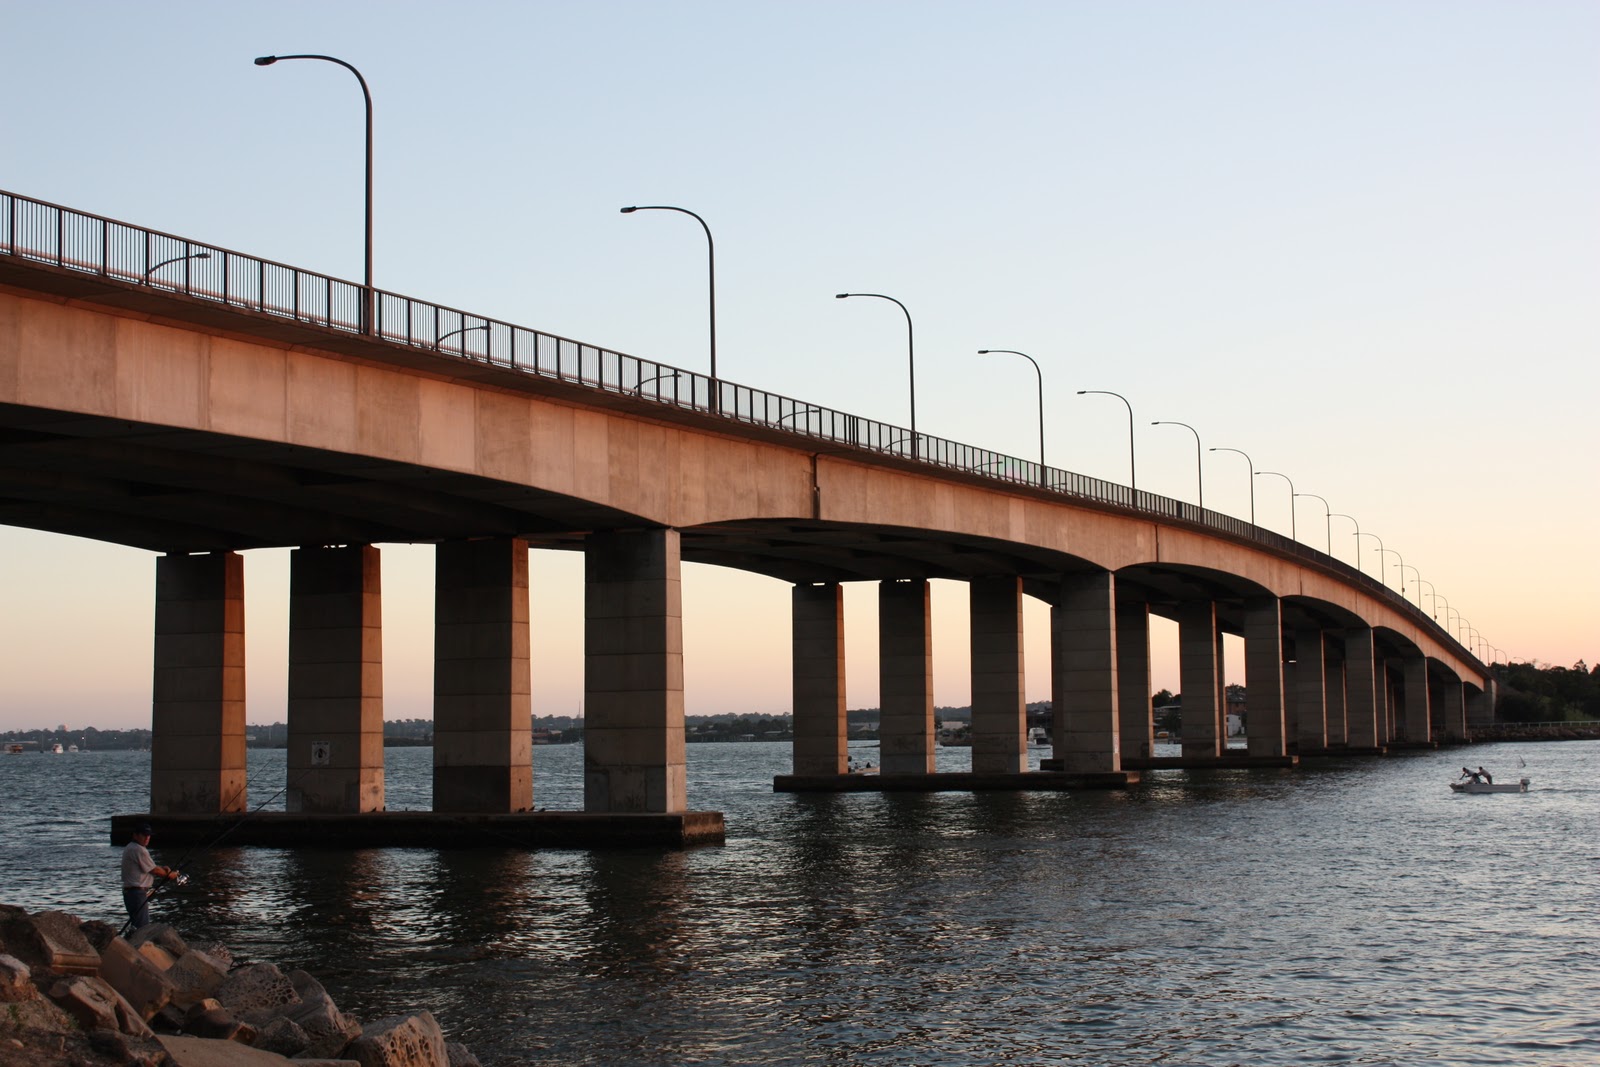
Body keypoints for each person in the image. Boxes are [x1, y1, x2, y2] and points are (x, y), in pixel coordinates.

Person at [121, 823, 180, 931]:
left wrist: (163, 869)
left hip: (131, 893)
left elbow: (148, 868)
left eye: (149, 835)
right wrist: (171, 874)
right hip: (137, 894)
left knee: (136, 925)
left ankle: (131, 943)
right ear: (135, 835)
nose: (147, 838)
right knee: (142, 927)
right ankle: (138, 946)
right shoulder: (139, 849)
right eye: (144, 835)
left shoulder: (130, 847)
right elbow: (155, 870)